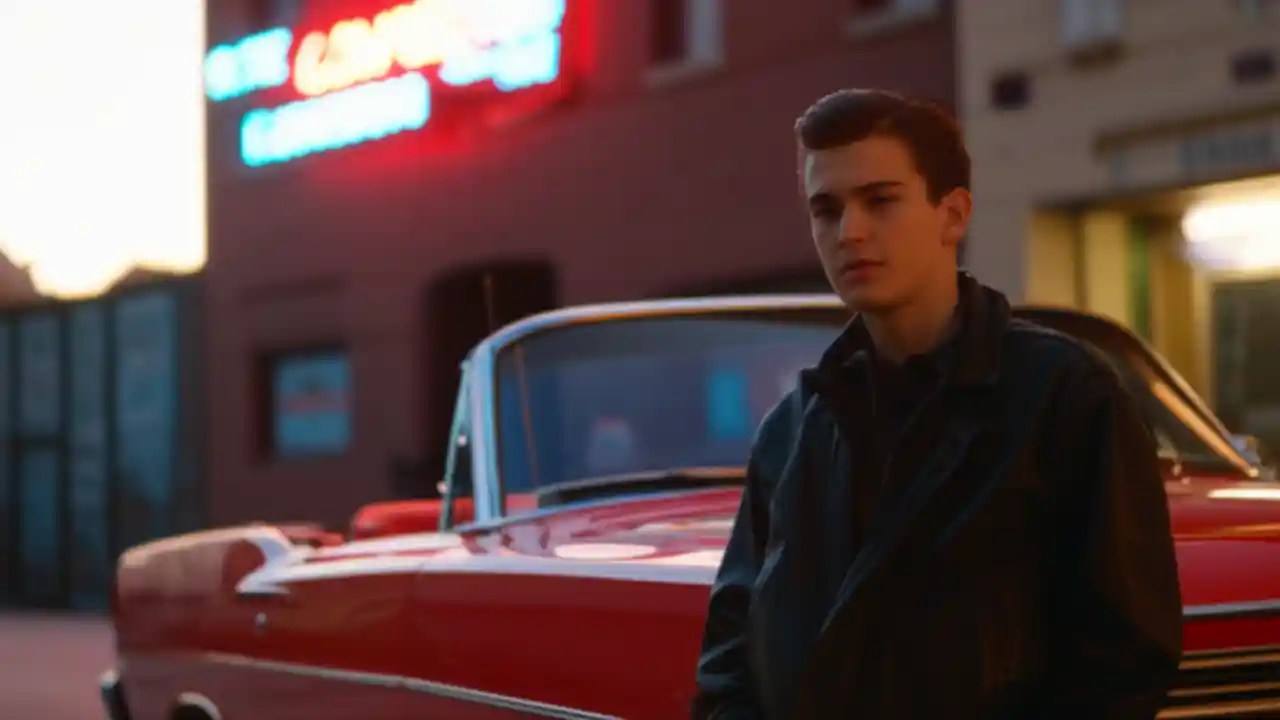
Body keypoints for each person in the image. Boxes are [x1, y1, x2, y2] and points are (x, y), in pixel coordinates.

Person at [691, 89, 1183, 719]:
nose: (850, 232)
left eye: (880, 200)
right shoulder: (792, 430)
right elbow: (731, 654)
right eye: (826, 209)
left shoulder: (1064, 395)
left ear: (953, 215)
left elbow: (1125, 656)